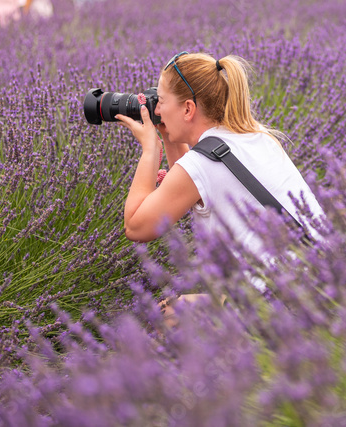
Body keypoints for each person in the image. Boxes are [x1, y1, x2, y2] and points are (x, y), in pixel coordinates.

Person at [115, 51, 324, 327]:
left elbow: (136, 227)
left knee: (166, 316)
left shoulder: (201, 163)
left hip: (279, 310)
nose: (156, 111)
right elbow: (193, 188)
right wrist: (167, 136)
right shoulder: (257, 136)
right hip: (322, 285)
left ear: (188, 109)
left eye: (161, 102)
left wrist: (150, 149)